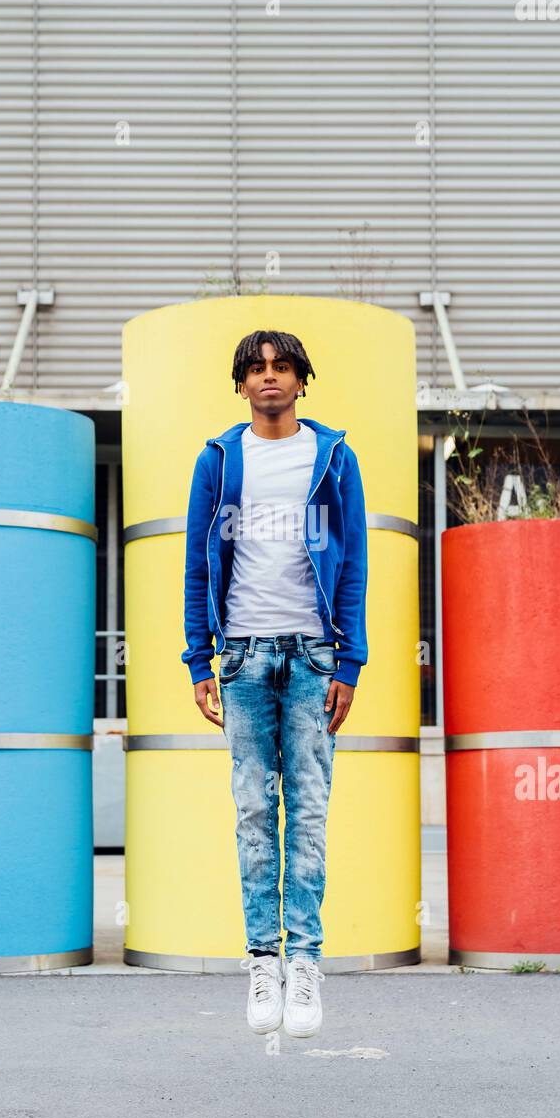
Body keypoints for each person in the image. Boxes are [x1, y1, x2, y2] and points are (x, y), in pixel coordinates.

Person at [181, 328, 368, 1037]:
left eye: (282, 368)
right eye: (256, 369)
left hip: (315, 656)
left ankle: (307, 963)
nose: (269, 379)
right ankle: (263, 961)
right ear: (240, 384)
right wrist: (200, 661)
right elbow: (199, 565)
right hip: (244, 659)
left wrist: (349, 662)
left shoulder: (333, 458)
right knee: (255, 814)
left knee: (310, 812)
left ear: (300, 381)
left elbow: (352, 566)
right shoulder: (219, 459)